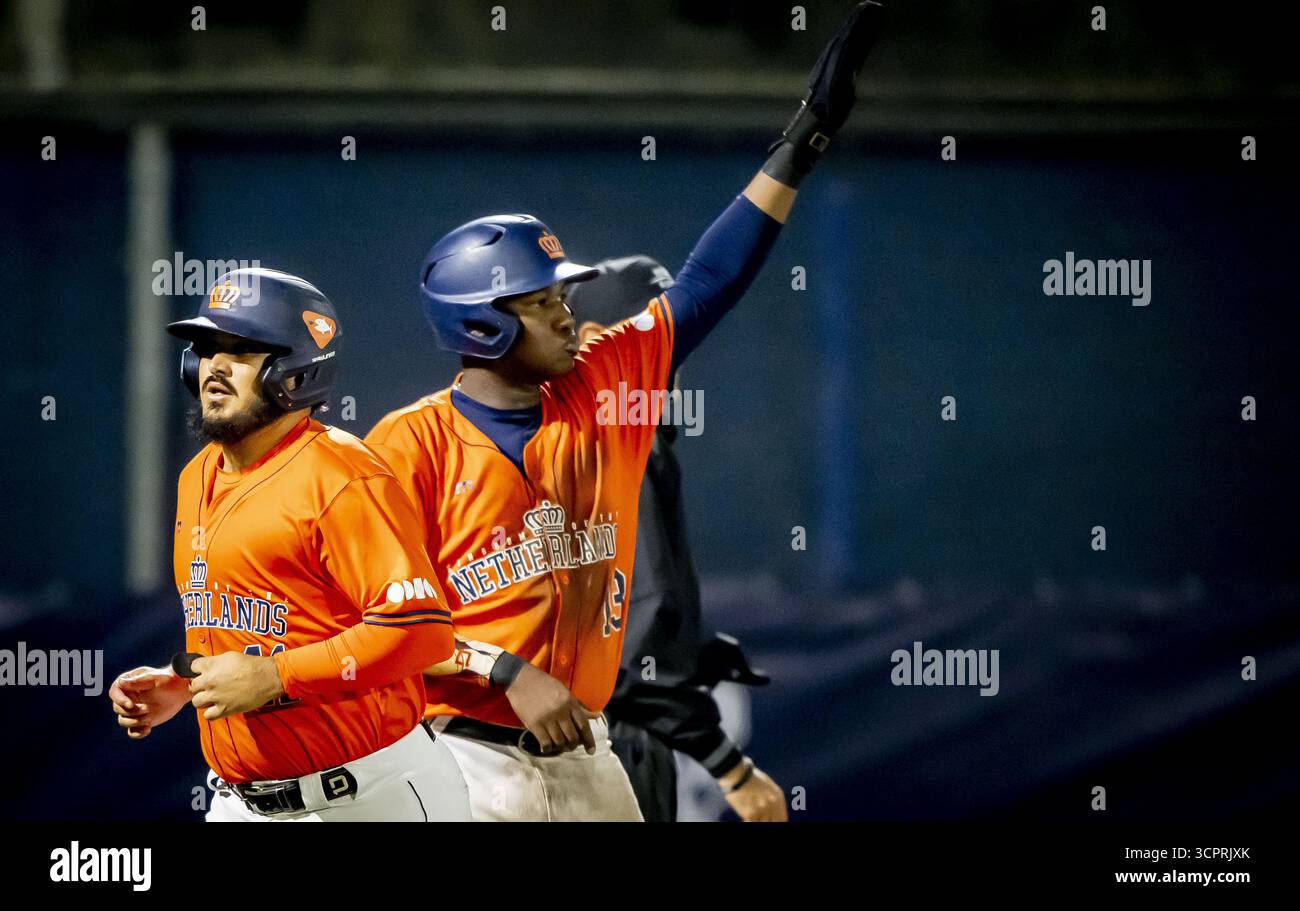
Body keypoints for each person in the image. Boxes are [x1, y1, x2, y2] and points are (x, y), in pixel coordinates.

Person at [366, 1, 883, 821]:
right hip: (461, 762)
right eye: (542, 302)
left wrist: (802, 141)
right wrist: (504, 670)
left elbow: (708, 282)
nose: (569, 313)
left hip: (592, 756)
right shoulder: (406, 447)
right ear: (481, 324)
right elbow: (373, 631)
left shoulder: (604, 384)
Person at [107, 267, 471, 822]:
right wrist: (187, 683)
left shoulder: (344, 476)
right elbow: (269, 622)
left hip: (370, 797)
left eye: (243, 349)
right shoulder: (196, 475)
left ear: (296, 372)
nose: (215, 367)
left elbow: (422, 633)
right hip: (240, 802)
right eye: (207, 348)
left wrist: (274, 678)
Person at [567, 255, 788, 823]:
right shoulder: (622, 453)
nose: (675, 360)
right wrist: (729, 766)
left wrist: (691, 652)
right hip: (605, 745)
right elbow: (633, 654)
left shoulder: (542, 442)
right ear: (595, 342)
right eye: (663, 341)